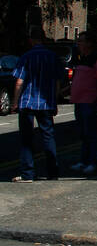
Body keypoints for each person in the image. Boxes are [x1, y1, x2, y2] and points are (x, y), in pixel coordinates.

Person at [12, 26, 64, 182]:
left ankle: (28, 173)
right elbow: (57, 82)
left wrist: (15, 102)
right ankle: (52, 172)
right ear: (44, 39)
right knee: (48, 136)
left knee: (26, 139)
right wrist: (54, 101)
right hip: (46, 103)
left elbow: (19, 81)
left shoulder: (26, 57)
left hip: (27, 102)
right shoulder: (53, 57)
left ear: (31, 40)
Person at [68, 31, 97, 176]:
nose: (78, 44)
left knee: (92, 133)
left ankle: (93, 162)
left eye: (81, 41)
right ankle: (83, 160)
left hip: (90, 101)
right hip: (79, 100)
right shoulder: (81, 59)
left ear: (90, 43)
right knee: (83, 133)